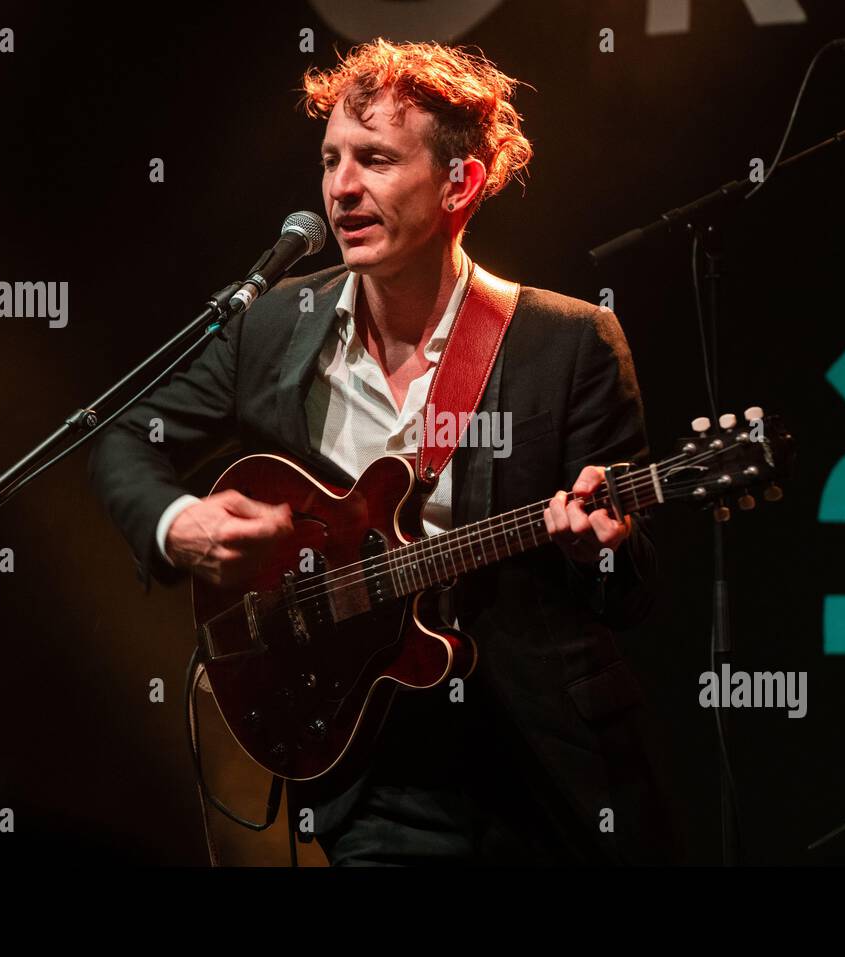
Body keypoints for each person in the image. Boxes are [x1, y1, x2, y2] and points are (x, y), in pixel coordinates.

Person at [88, 38, 682, 865]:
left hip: (547, 769)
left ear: (460, 183)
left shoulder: (569, 343)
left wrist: (602, 550)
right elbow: (122, 437)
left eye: (374, 159)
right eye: (331, 160)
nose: (341, 187)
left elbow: (634, 592)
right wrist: (179, 524)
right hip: (374, 777)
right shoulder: (272, 326)